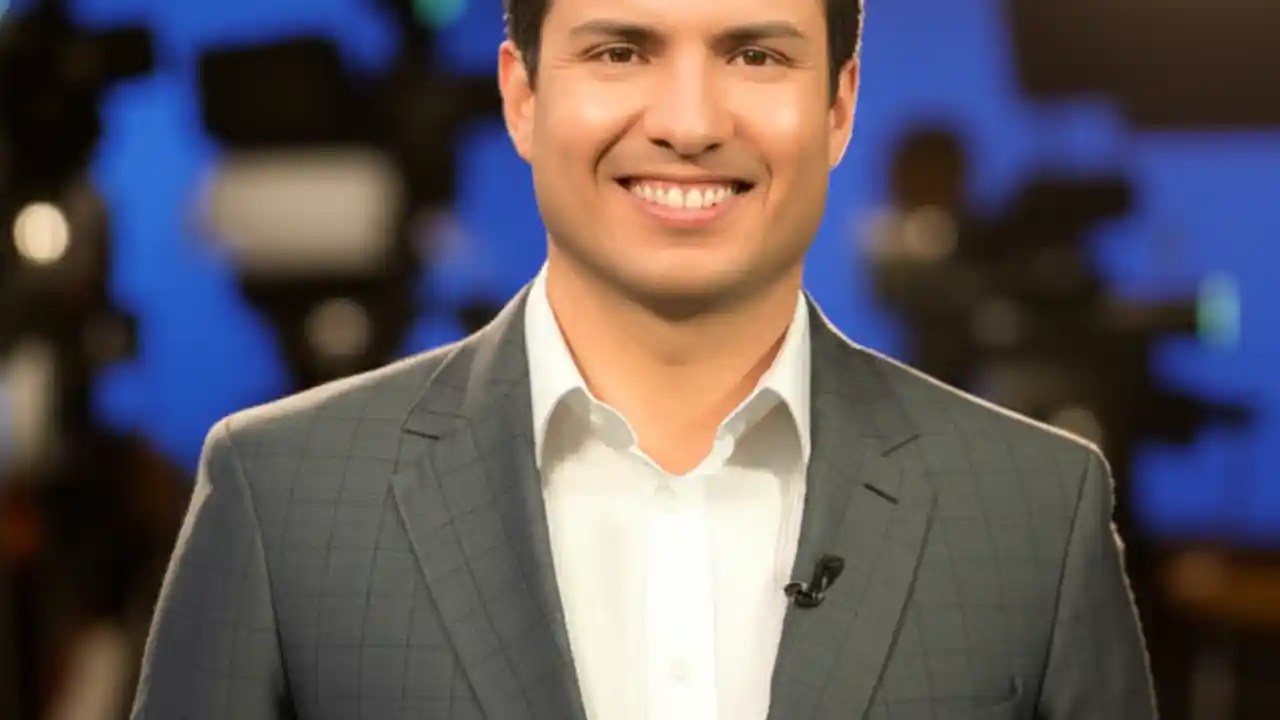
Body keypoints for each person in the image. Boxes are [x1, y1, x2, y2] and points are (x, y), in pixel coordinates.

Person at [130, 0, 1157, 717]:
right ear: (521, 95)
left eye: (755, 54)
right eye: (620, 51)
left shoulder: (1033, 511)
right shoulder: (282, 495)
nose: (687, 122)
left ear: (839, 105)